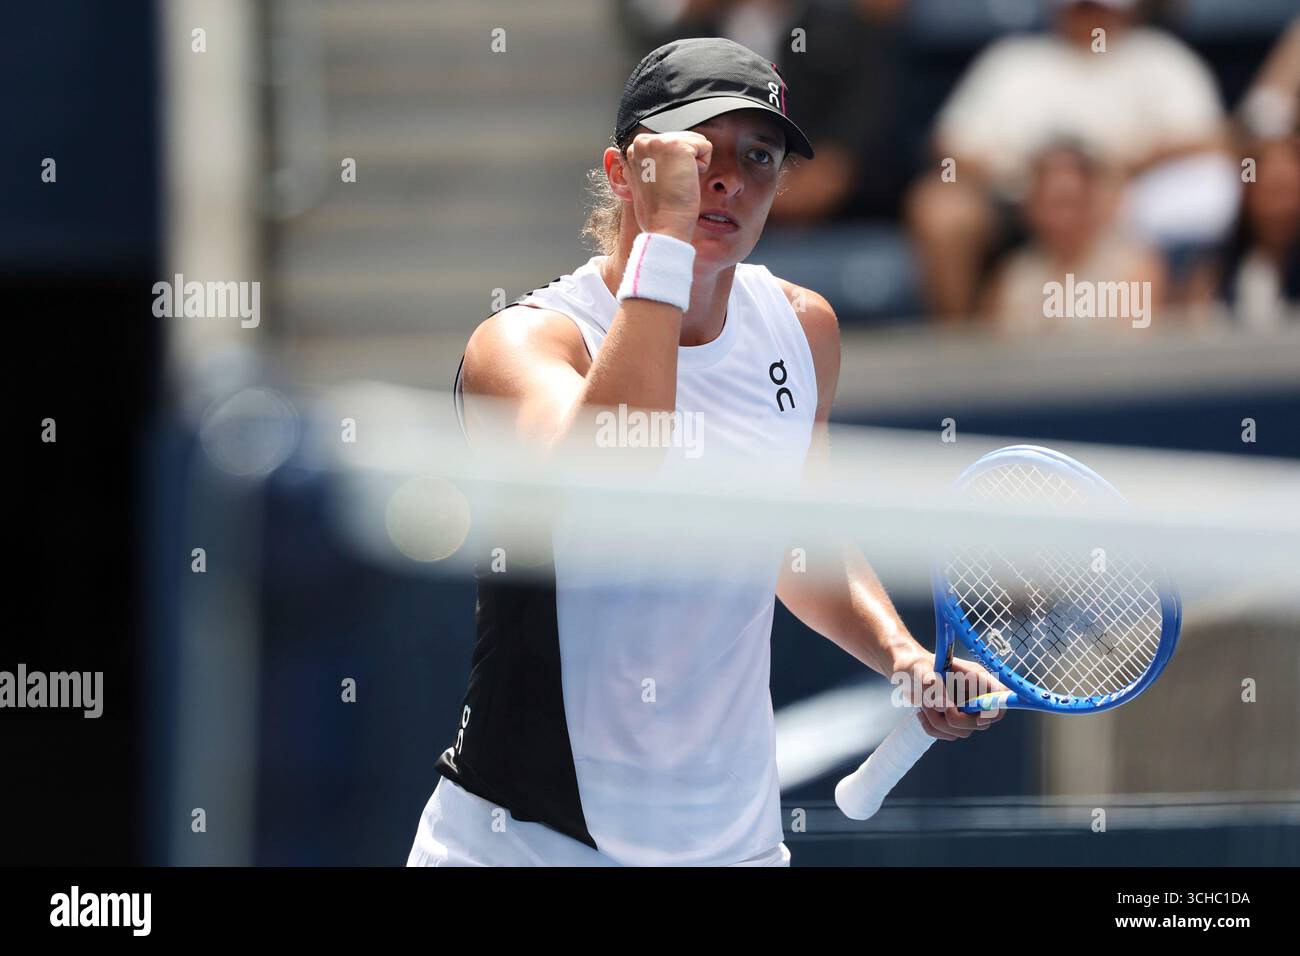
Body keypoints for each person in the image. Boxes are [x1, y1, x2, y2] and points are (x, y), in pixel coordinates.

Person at [406, 37, 1001, 868]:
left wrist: (902, 658)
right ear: (624, 172)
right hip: (523, 842)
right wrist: (667, 245)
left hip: (733, 842)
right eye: (694, 152)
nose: (726, 179)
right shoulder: (524, 343)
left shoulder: (802, 329)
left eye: (758, 156)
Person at [908, 0, 1230, 320]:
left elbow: (1211, 139)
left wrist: (1125, 170)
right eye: (1080, 9)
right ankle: (961, 349)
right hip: (1015, 202)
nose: (1090, 19)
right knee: (940, 208)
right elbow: (949, 147)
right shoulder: (1013, 61)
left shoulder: (1158, 59)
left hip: (1128, 205)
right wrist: (1025, 182)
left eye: (1098, 9)